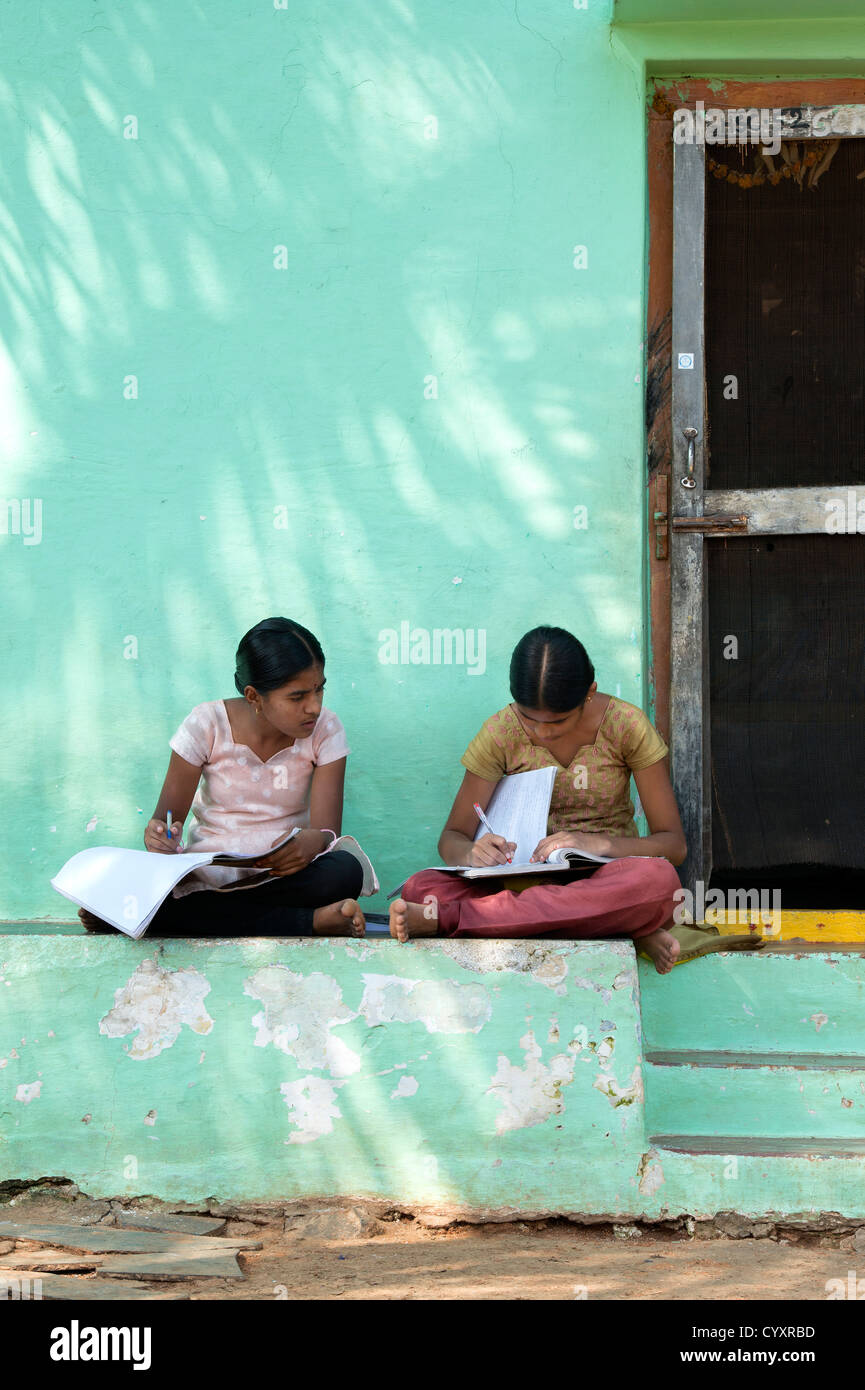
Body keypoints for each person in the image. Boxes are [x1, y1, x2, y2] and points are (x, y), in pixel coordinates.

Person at [389, 626, 687, 973]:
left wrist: (595, 843)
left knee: (658, 883)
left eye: (558, 721)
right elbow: (452, 838)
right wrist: (472, 851)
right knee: (420, 888)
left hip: (604, 881)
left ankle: (450, 919)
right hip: (523, 880)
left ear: (589, 693)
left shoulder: (626, 725)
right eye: (530, 720)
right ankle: (623, 927)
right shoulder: (501, 732)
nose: (543, 732)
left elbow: (673, 845)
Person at [79, 617, 365, 937]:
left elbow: (328, 833)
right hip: (207, 877)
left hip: (283, 878)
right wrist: (162, 836)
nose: (314, 707)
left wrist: (316, 840)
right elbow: (166, 822)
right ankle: (308, 922)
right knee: (132, 881)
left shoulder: (326, 729)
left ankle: (150, 916)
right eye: (297, 697)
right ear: (254, 696)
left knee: (345, 872)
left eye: (319, 689)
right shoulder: (206, 725)